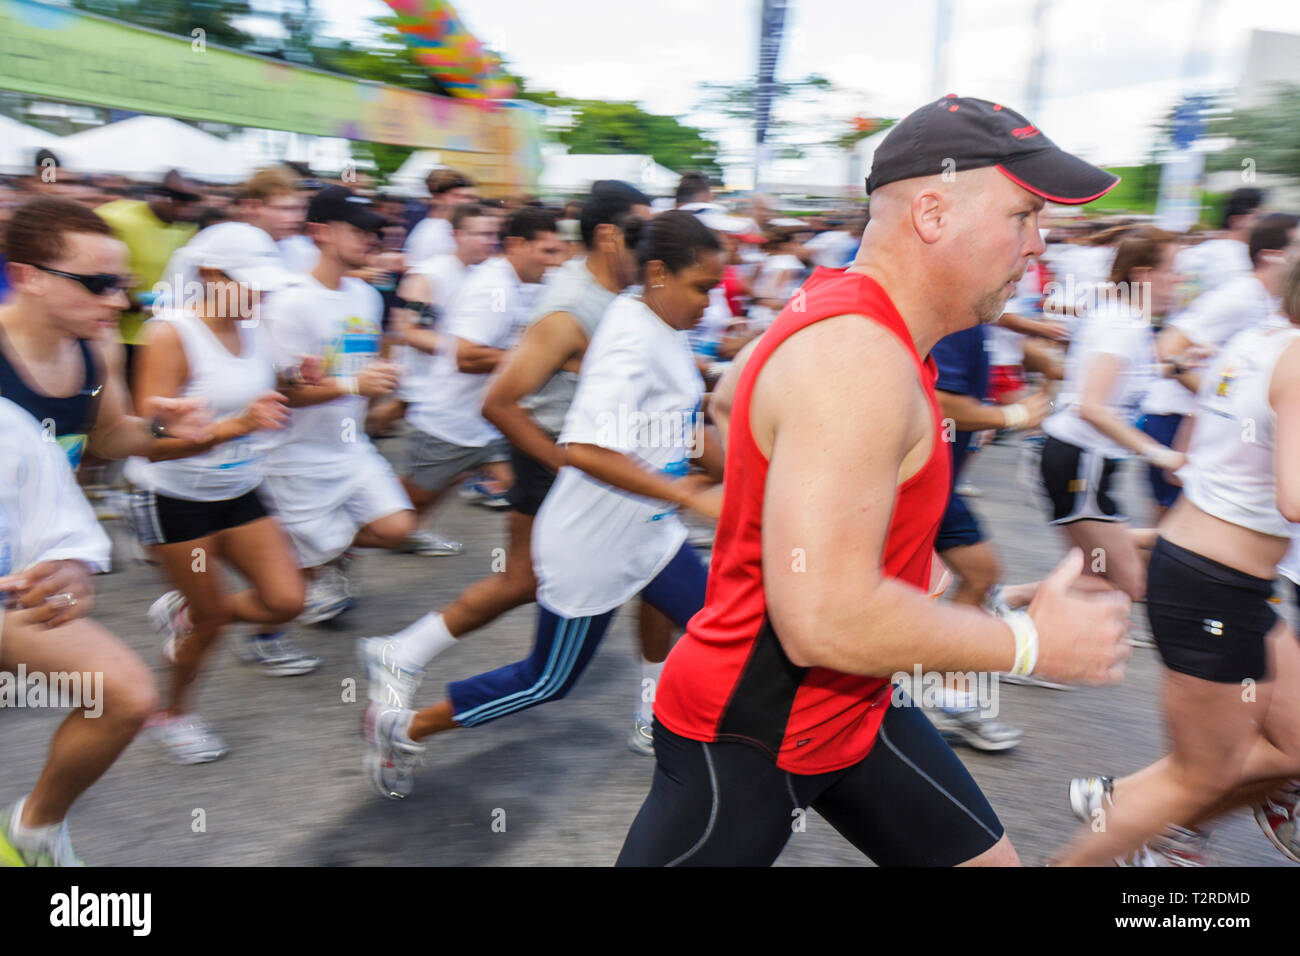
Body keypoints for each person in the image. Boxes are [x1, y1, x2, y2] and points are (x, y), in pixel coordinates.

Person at [616, 96, 1131, 867]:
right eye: (1023, 216)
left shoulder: (844, 312)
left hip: (854, 706)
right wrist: (1029, 645)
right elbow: (824, 619)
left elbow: (730, 400)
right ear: (932, 213)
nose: (1038, 245)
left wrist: (788, 506)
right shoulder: (857, 358)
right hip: (750, 732)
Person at [363, 211, 726, 799]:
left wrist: (744, 480)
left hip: (650, 537)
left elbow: (680, 421)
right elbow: (582, 447)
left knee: (726, 630)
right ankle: (402, 727)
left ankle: (709, 742)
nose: (711, 302)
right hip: (592, 547)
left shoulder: (663, 323)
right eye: (703, 287)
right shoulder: (629, 338)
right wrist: (681, 492)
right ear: (658, 273)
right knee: (547, 681)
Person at [1059, 257, 1300, 867]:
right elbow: (1294, 498)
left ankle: (1140, 810)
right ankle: (1120, 823)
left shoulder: (1260, 339)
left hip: (1217, 576)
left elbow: (1207, 448)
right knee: (1201, 773)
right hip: (1213, 587)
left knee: (1294, 744)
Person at [129, 224, 310, 764]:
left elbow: (263, 390)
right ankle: (173, 714)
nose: (261, 295)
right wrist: (237, 426)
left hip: (239, 489)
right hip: (174, 497)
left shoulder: (254, 329)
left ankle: (186, 614)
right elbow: (149, 443)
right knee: (211, 624)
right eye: (250, 283)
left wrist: (297, 378)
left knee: (286, 600)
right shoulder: (170, 335)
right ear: (210, 275)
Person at [0, 398, 155, 866]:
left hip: (5, 601)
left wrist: (70, 569)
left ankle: (29, 833)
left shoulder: (10, 421)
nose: (110, 318)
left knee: (125, 693)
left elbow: (64, 530)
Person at [257, 186, 415, 623]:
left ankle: (321, 556)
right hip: (295, 456)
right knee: (289, 597)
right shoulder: (291, 302)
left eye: (375, 233)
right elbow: (281, 391)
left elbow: (363, 365)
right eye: (359, 231)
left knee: (397, 526)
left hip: (349, 447)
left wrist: (384, 382)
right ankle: (248, 624)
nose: (371, 240)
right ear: (319, 232)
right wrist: (353, 385)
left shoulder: (364, 295)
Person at [396, 207, 563, 539]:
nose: (554, 261)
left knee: (540, 501)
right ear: (517, 245)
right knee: (398, 520)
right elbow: (466, 357)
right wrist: (533, 360)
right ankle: (338, 541)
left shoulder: (520, 282)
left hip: (495, 424)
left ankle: (531, 569)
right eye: (547, 251)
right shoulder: (493, 287)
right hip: (452, 425)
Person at [1038, 228, 1184, 601]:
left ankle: (1037, 627)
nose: (1178, 280)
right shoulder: (1123, 325)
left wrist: (1179, 365)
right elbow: (1091, 405)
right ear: (1144, 275)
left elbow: (1124, 375)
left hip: (1081, 460)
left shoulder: (1120, 317)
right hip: (1081, 462)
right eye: (1171, 270)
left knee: (1095, 573)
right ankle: (1011, 601)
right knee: (1127, 582)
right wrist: (1157, 452)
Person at [928, 322, 1052, 749]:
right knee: (894, 592)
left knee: (980, 574)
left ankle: (952, 698)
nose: (1031, 255)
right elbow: (938, 401)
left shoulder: (977, 316)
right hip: (914, 480)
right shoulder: (955, 322)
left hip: (942, 483)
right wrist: (1013, 415)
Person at [1140, 213, 1300, 516]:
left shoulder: (1270, 302)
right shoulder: (1238, 296)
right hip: (1174, 416)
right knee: (1172, 523)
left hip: (1206, 420)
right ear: (1271, 256)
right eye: (1294, 248)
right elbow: (1165, 348)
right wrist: (1220, 392)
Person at [375, 201, 500, 554]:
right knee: (424, 478)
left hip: (461, 393)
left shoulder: (488, 273)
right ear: (456, 235)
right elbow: (409, 331)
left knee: (450, 470)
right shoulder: (431, 274)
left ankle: (407, 528)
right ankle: (378, 520)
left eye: (493, 233)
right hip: (428, 389)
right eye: (480, 233)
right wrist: (462, 348)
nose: (489, 241)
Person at [95, 170, 202, 361]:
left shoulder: (186, 228)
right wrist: (122, 291)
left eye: (192, 203)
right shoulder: (116, 217)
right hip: (118, 337)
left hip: (163, 337)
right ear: (163, 196)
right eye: (181, 201)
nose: (186, 210)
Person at [403, 168, 478, 266]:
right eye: (458, 196)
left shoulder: (460, 227)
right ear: (439, 198)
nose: (466, 202)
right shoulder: (429, 233)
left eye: (471, 197)